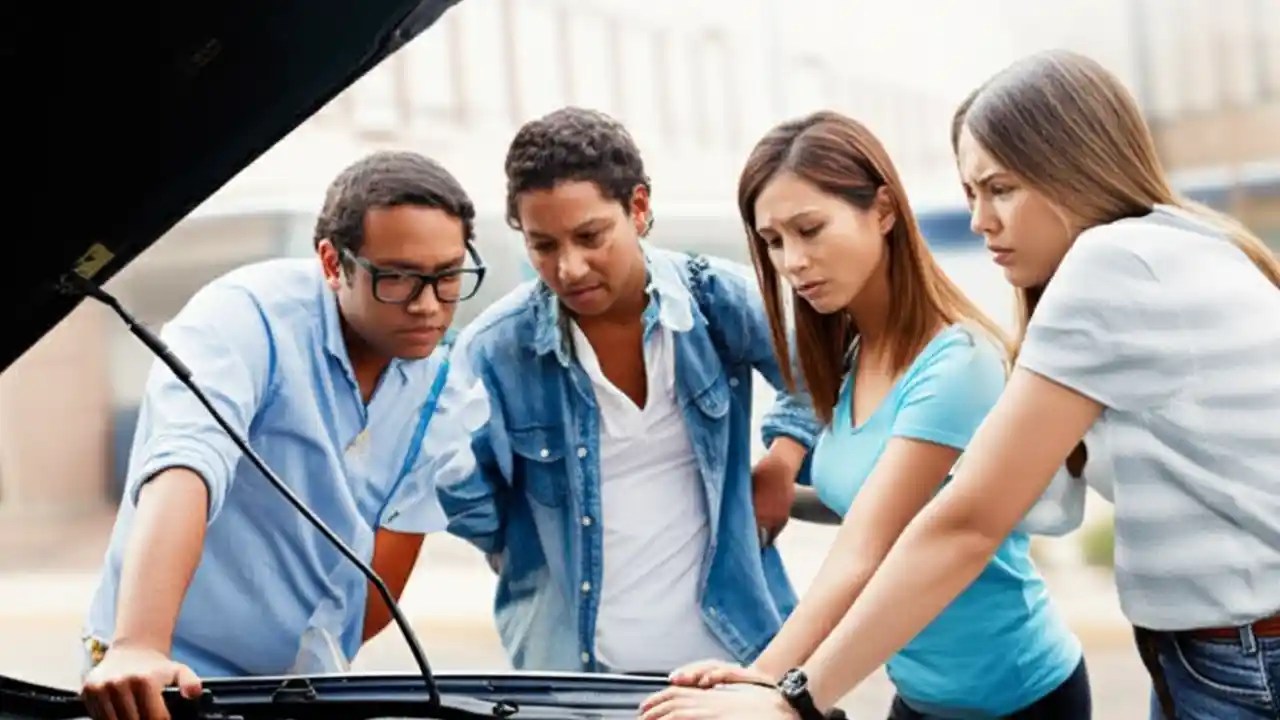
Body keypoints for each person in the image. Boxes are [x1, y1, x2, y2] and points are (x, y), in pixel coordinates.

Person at [639, 50, 1280, 720]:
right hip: (1210, 650)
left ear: (1076, 166)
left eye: (1000, 189)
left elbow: (966, 524)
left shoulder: (1108, 267)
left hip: (1239, 655)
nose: (978, 221)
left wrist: (787, 697)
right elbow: (1038, 504)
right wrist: (763, 672)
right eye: (972, 194)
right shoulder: (1179, 246)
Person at [644, 110, 1090, 719]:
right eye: (773, 242)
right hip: (919, 696)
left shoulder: (958, 365)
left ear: (883, 210)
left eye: (810, 229)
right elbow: (866, 498)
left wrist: (770, 685)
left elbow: (868, 548)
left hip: (1018, 697)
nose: (792, 261)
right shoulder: (854, 352)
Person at [80, 150, 490, 719]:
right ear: (331, 262)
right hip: (166, 679)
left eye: (447, 278)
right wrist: (139, 645)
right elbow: (185, 465)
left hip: (299, 692)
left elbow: (376, 583)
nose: (427, 306)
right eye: (395, 279)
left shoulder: (445, 389)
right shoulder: (245, 317)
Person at [436, 106, 821, 674]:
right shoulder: (498, 348)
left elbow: (817, 374)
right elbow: (464, 490)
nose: (569, 268)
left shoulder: (715, 301)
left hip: (735, 660)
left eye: (590, 236)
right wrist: (533, 554)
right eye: (543, 246)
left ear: (638, 208)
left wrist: (783, 462)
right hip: (579, 680)